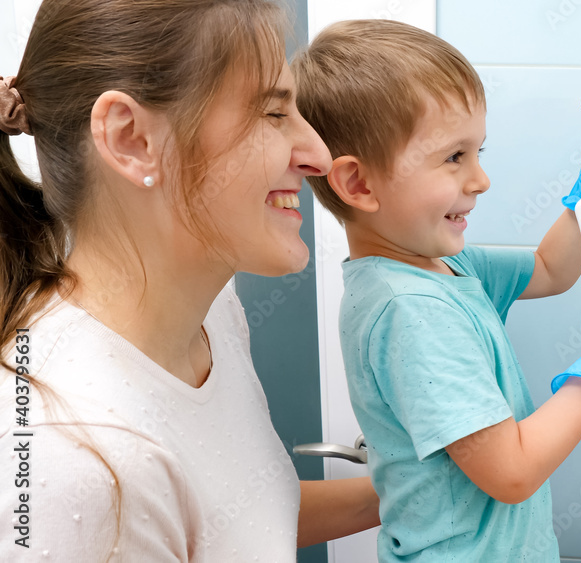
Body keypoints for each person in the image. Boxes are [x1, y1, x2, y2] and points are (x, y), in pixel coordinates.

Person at [292, 19, 581, 561]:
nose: (480, 179)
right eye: (454, 157)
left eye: (478, 151)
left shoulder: (443, 266)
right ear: (359, 184)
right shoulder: (410, 309)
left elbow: (550, 269)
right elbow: (511, 474)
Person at [0, 1, 378, 560]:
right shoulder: (76, 461)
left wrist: (419, 489)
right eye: (273, 115)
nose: (319, 155)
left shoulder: (210, 314)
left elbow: (235, 520)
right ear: (131, 138)